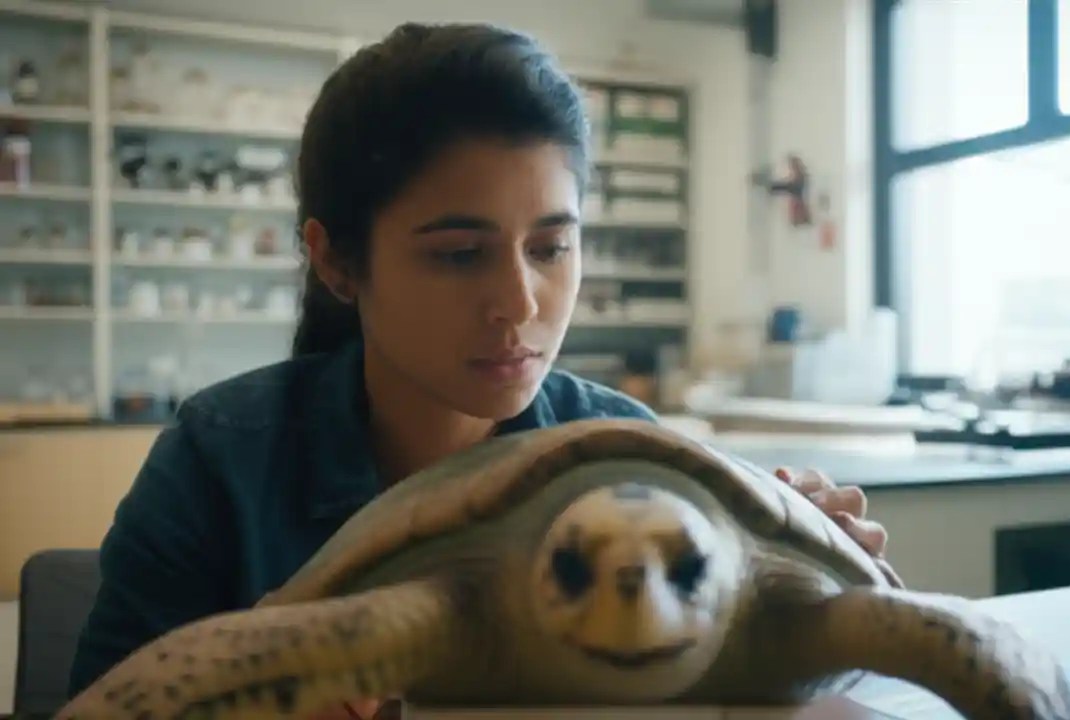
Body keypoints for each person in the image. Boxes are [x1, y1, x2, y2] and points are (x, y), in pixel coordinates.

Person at [67, 21, 896, 719]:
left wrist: (805, 593)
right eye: (460, 254)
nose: (520, 302)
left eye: (551, 247)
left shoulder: (625, 458)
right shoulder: (220, 462)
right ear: (337, 261)